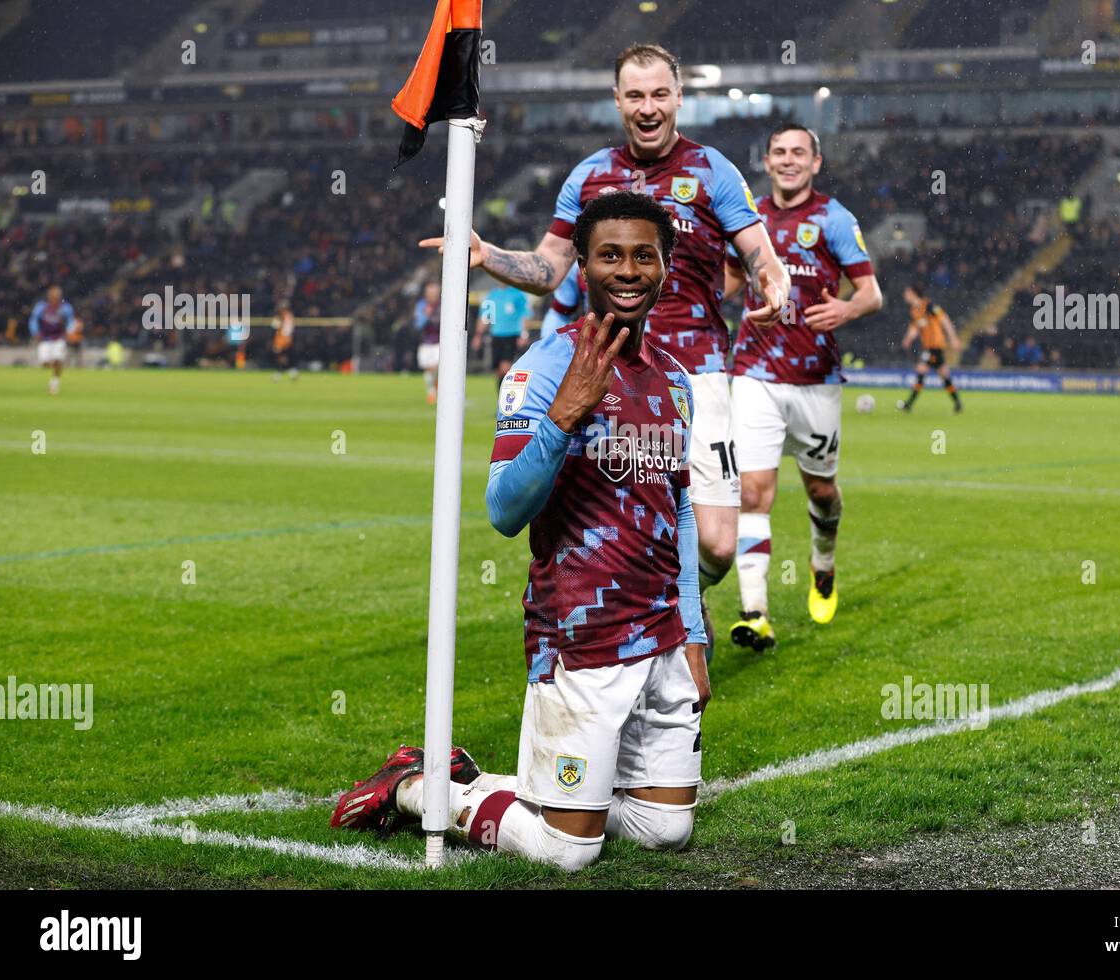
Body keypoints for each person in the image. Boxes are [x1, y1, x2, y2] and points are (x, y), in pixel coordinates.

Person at [332, 193, 708, 871]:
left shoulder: (677, 383)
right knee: (568, 851)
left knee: (665, 828)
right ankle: (416, 788)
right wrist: (563, 419)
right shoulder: (541, 370)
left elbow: (679, 509)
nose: (628, 270)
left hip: (663, 638)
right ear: (583, 270)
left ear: (665, 268)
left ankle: (490, 785)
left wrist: (694, 631)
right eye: (610, 256)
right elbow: (505, 511)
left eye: (643, 256)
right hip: (582, 637)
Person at [419, 43, 790, 649]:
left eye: (660, 94)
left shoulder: (714, 171)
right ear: (618, 101)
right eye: (635, 95)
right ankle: (627, 624)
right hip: (607, 372)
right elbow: (548, 267)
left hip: (697, 372)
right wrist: (488, 258)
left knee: (720, 543)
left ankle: (677, 595)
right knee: (609, 520)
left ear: (678, 98)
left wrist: (773, 287)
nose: (648, 107)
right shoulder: (589, 176)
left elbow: (760, 257)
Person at [722, 122, 883, 650]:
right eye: (779, 152)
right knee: (752, 491)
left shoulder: (833, 219)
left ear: (815, 163)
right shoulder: (748, 219)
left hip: (815, 380)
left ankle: (824, 560)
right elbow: (725, 283)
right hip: (753, 372)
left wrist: (846, 307)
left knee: (821, 490)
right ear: (766, 162)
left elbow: (871, 294)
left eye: (799, 153)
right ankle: (755, 611)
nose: (788, 160)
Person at [897, 284, 962, 413]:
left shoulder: (929, 306)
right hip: (930, 347)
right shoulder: (914, 311)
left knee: (921, 370)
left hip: (935, 346)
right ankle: (958, 404)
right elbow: (915, 328)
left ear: (912, 293)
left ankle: (909, 404)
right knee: (944, 375)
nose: (905, 296)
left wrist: (953, 339)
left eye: (906, 293)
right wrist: (908, 339)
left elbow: (945, 319)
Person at [472, 284, 532, 385]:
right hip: (496, 337)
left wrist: (524, 334)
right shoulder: (492, 295)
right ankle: (501, 396)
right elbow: (485, 317)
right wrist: (478, 336)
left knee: (505, 368)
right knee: (498, 371)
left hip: (511, 336)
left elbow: (525, 315)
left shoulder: (518, 294)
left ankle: (508, 396)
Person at [29, 285, 74, 395]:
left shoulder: (66, 308)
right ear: (49, 297)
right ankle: (55, 368)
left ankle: (54, 382)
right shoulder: (41, 307)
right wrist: (35, 332)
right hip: (45, 339)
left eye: (56, 297)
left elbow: (70, 321)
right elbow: (33, 320)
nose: (54, 299)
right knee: (44, 363)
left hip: (59, 338)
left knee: (57, 360)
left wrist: (69, 331)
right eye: (52, 296)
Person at [414, 281, 442, 404]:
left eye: (435, 293)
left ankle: (436, 390)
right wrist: (426, 315)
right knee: (428, 370)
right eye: (430, 293)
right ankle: (432, 392)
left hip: (439, 343)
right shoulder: (421, 305)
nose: (433, 295)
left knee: (436, 366)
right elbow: (418, 325)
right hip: (425, 343)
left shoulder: (443, 305)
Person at [271, 303, 298, 381]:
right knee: (284, 358)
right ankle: (292, 373)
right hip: (286, 340)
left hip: (282, 341)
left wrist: (280, 343)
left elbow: (275, 327)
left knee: (281, 358)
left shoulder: (283, 317)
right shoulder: (288, 316)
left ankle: (279, 374)